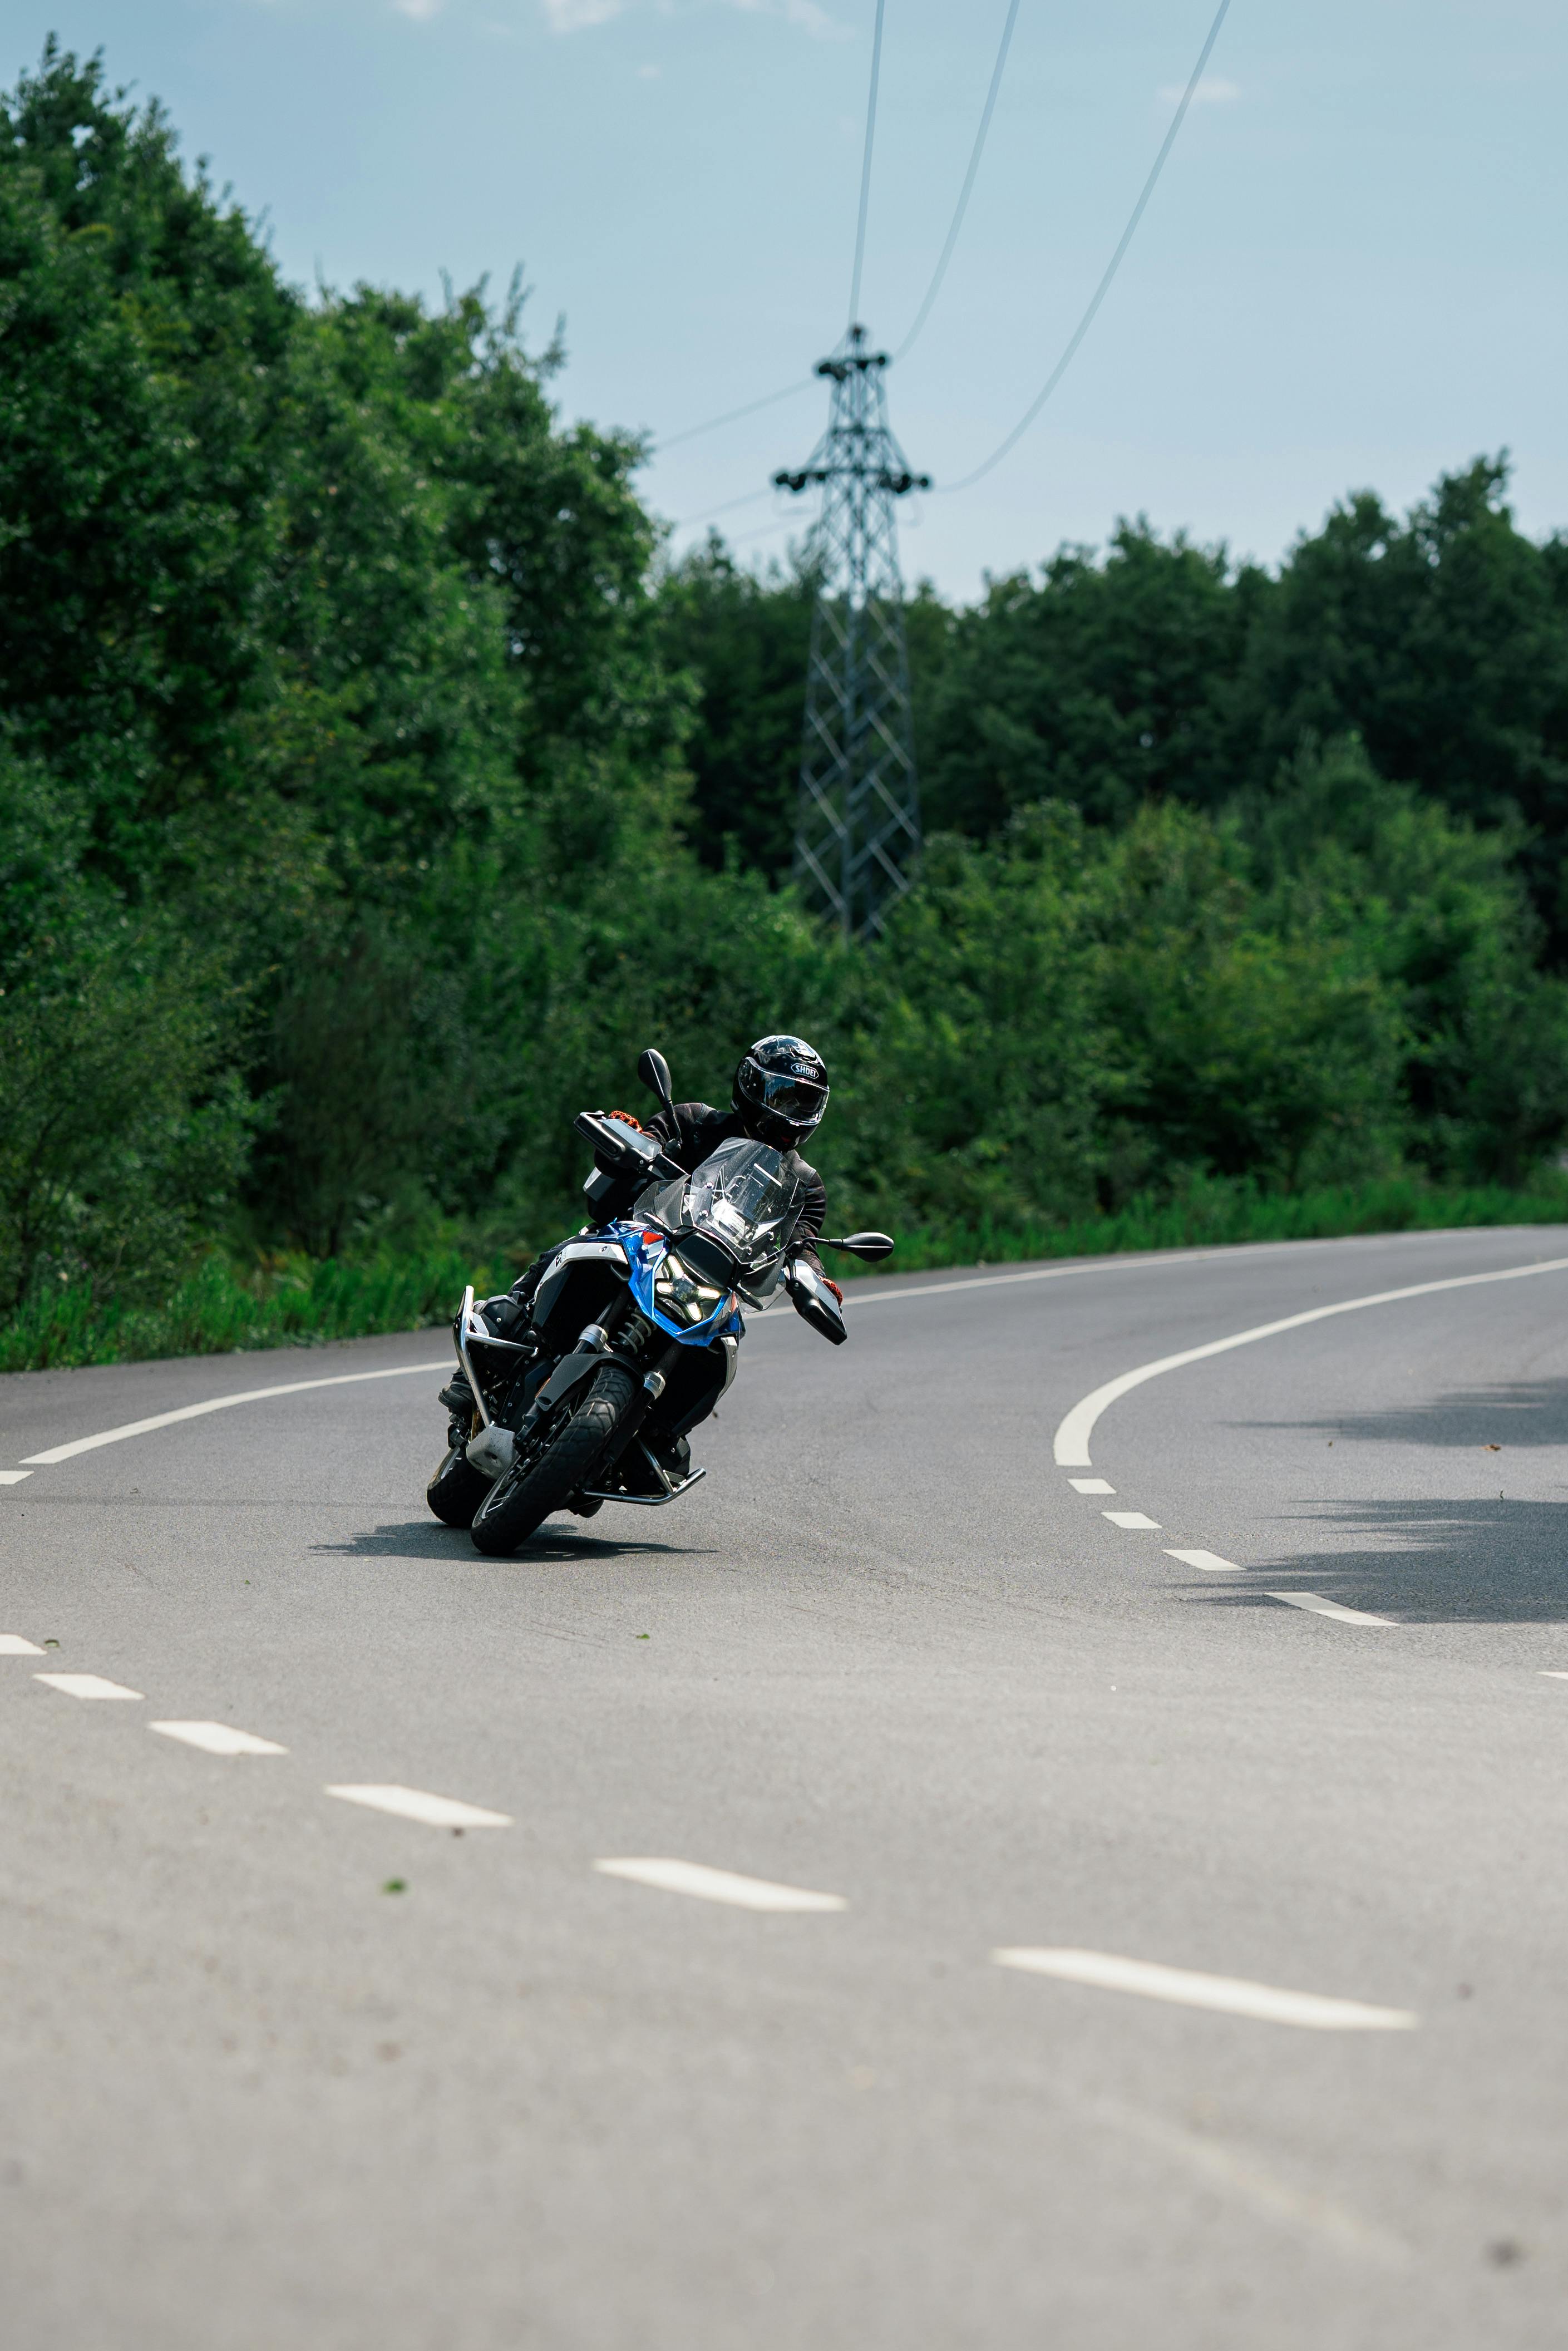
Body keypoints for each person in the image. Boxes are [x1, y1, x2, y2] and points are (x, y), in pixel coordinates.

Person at [437, 1036, 840, 1424]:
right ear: (752, 1085)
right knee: (584, 1247)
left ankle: (661, 1433)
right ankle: (501, 1328)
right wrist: (630, 1136)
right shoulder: (694, 1121)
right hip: (649, 1239)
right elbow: (649, 1142)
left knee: (723, 1346)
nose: (792, 1110)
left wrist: (815, 1275)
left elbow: (802, 1241)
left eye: (805, 1100)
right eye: (784, 1095)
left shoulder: (806, 1185)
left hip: (719, 1279)